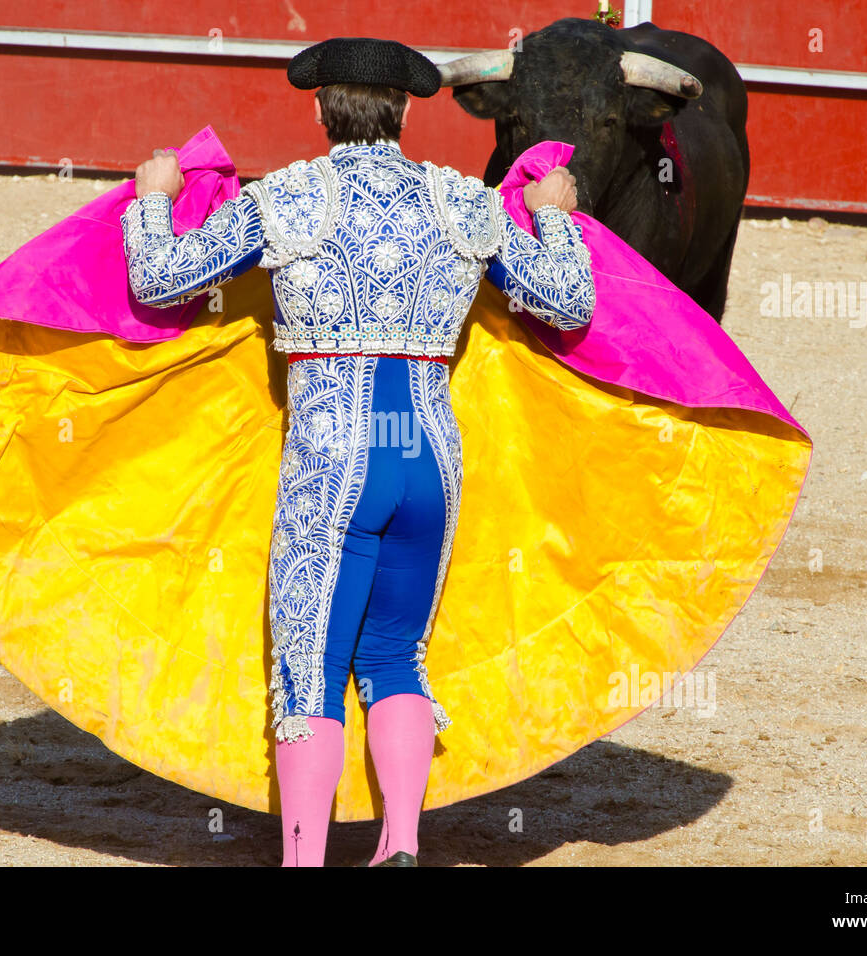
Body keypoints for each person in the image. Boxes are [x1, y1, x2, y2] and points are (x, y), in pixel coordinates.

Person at [119, 36, 595, 867]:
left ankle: (305, 862)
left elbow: (161, 280)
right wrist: (552, 216)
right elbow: (568, 301)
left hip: (334, 461)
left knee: (310, 667)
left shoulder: (290, 199)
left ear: (317, 110)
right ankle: (399, 846)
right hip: (428, 462)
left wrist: (155, 198)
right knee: (395, 653)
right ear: (406, 113)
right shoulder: (464, 203)